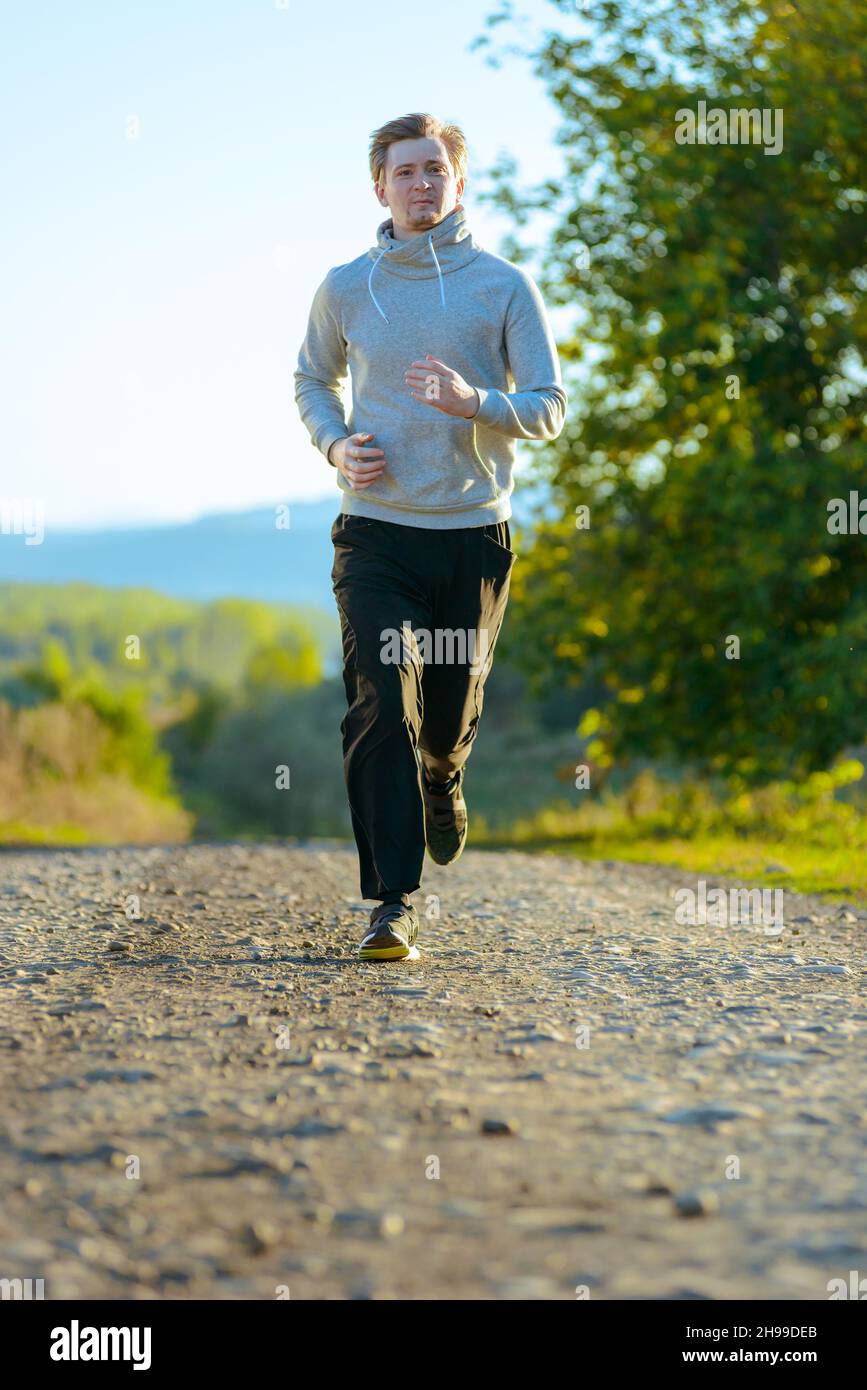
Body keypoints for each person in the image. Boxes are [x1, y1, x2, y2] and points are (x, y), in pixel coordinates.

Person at [294, 112, 567, 960]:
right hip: (374, 534)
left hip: (471, 538)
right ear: (379, 187)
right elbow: (310, 378)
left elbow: (549, 407)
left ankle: (444, 776)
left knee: (441, 722)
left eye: (433, 171)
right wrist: (335, 442)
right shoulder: (346, 286)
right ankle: (392, 905)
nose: (420, 185)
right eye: (403, 172)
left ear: (458, 183)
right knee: (379, 700)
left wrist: (475, 403)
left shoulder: (503, 286)